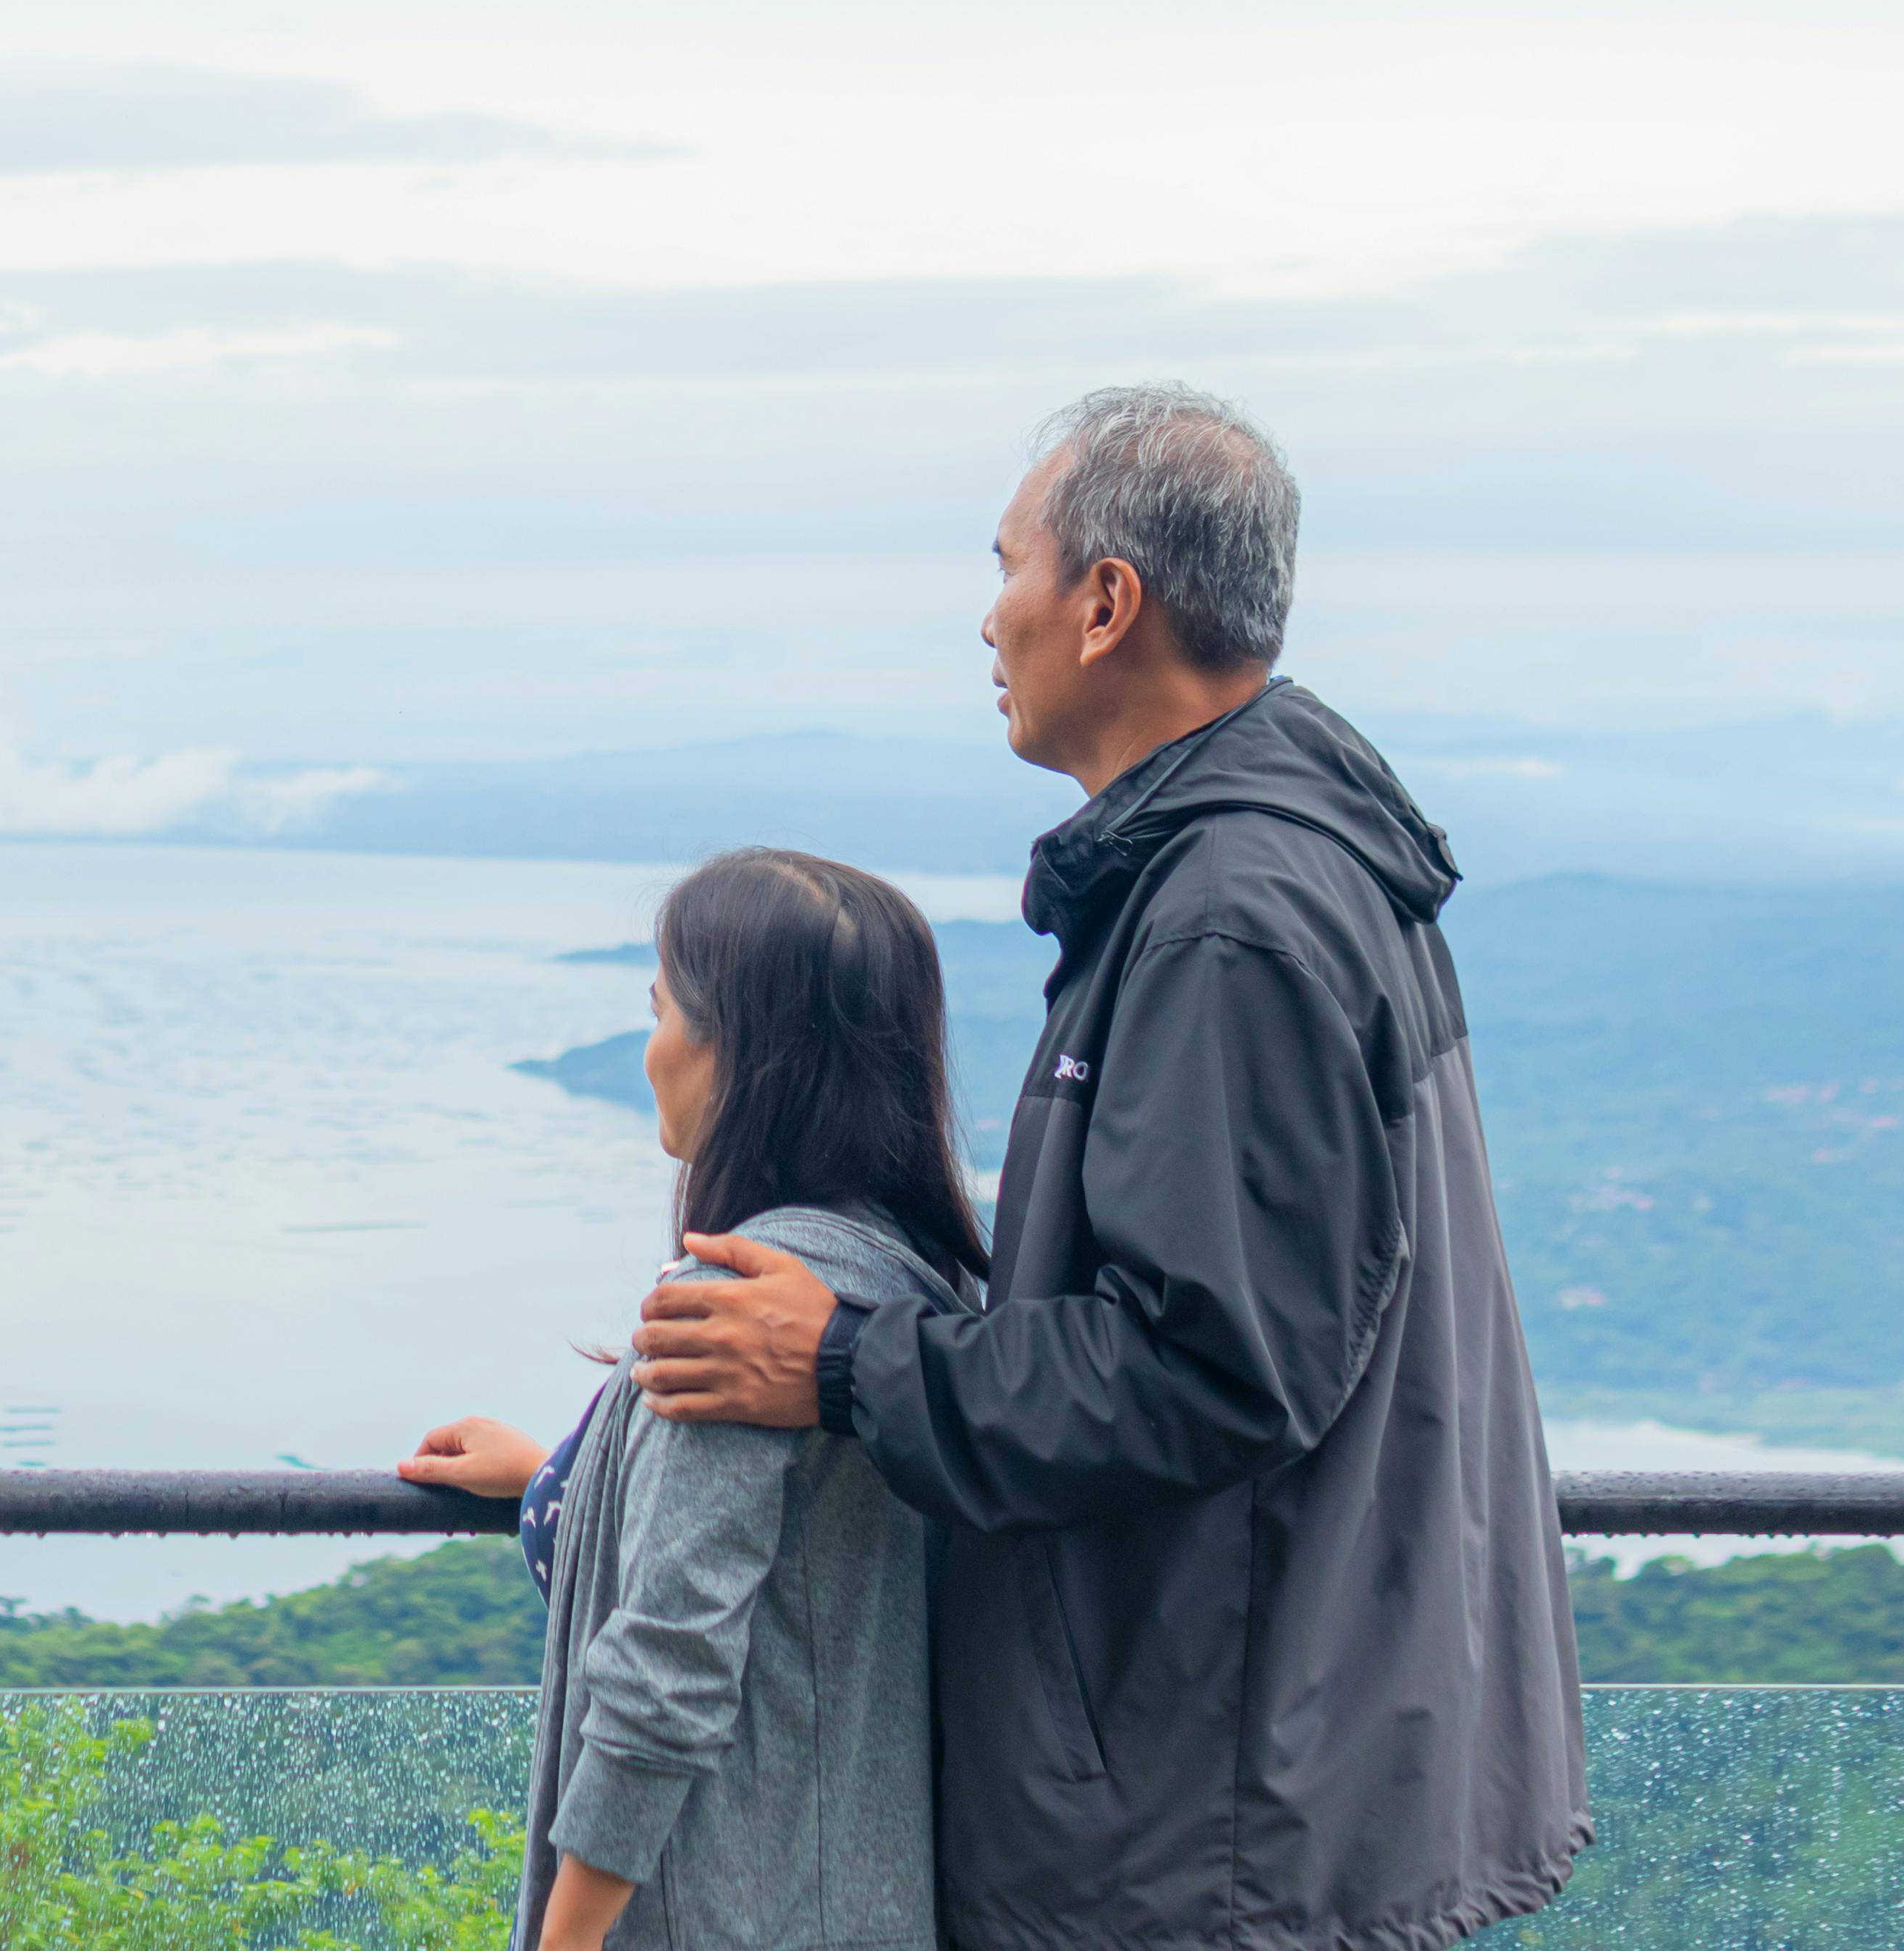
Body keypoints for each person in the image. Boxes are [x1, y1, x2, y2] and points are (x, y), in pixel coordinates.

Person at [630, 385, 1588, 1950]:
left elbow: (1209, 1364)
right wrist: (577, 1478)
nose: (983, 619)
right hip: (1263, 1768)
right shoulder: (1272, 871)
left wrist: (847, 1364)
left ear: (1103, 603)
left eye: (1006, 565)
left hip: (1208, 1816)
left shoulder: (1228, 920)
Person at [399, 847, 984, 1951]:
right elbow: (793, 1577)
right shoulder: (909, 1296)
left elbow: (669, 1668)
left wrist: (560, 1942)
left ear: (739, 1055)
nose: (651, 1048)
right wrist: (558, 1481)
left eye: (662, 1010)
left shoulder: (734, 1308)